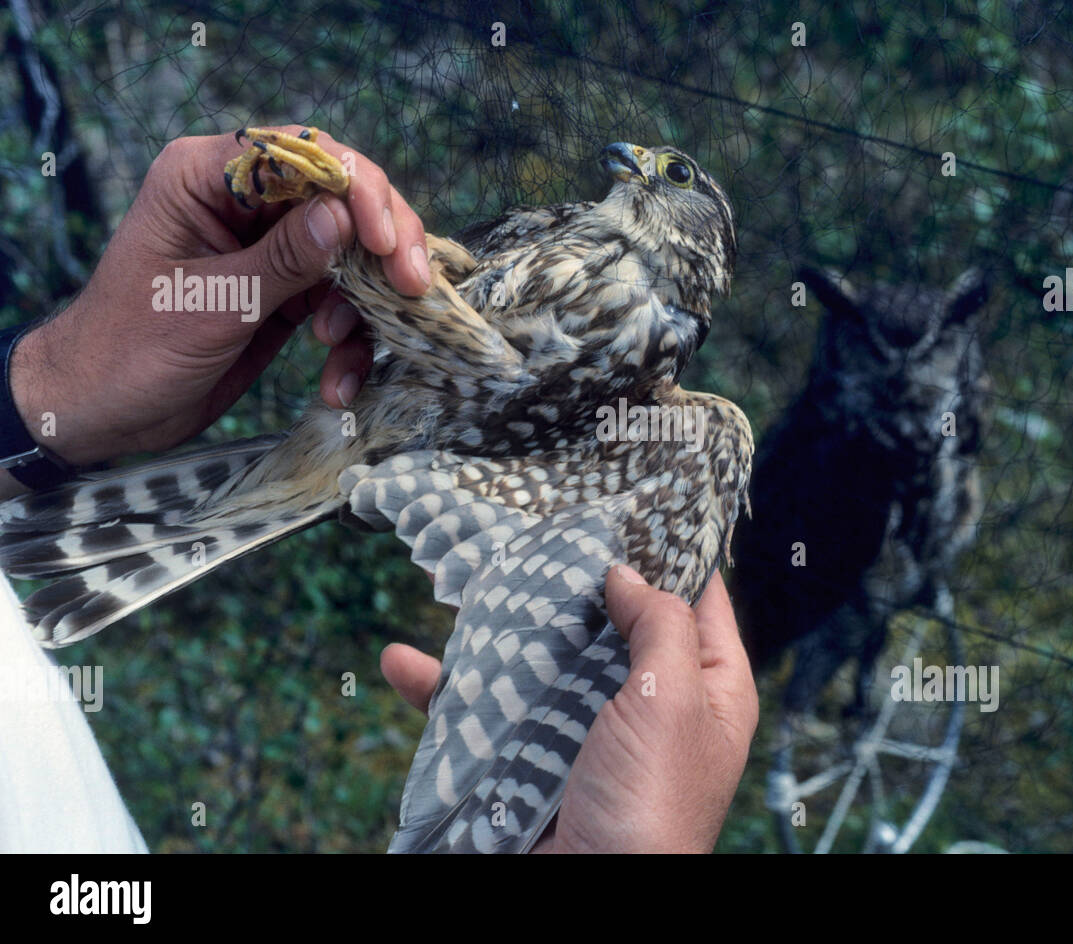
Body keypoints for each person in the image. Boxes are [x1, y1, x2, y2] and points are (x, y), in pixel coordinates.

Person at [0, 129, 757, 853]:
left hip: (405, 438)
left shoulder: (676, 422)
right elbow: (439, 284)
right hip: (392, 399)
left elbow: (593, 631)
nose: (635, 162)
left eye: (675, 174)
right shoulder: (565, 230)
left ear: (703, 232)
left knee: (716, 444)